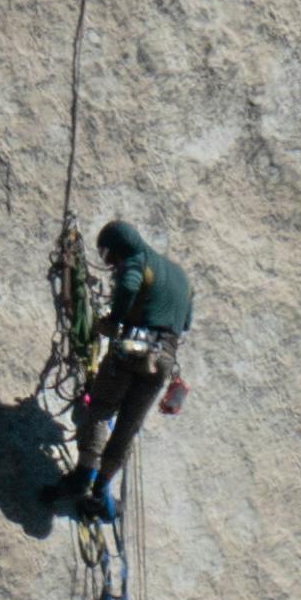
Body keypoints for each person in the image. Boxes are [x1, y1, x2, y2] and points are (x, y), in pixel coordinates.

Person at [57, 219, 192, 522]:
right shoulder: (181, 278)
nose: (110, 263)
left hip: (133, 348)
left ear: (118, 247)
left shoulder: (136, 260)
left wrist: (115, 318)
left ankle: (84, 473)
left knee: (100, 409)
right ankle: (102, 493)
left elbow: (129, 284)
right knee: (128, 426)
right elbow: (186, 323)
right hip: (164, 360)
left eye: (109, 256)